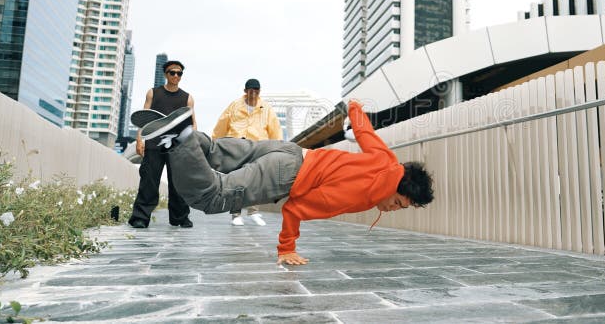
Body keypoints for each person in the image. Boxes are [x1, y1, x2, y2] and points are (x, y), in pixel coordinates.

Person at [136, 100, 434, 265]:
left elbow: (364, 128)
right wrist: (286, 248)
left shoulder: (387, 159)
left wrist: (355, 108)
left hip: (288, 150)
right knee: (213, 198)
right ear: (398, 189)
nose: (393, 208)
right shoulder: (360, 197)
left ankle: (181, 132)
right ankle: (181, 138)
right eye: (397, 203)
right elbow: (296, 208)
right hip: (285, 175)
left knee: (216, 152)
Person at [127, 60, 196, 229]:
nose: (176, 76)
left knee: (178, 183)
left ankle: (180, 217)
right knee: (148, 182)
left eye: (179, 73)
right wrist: (139, 139)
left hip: (177, 146)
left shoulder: (187, 98)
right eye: (172, 72)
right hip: (154, 144)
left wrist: (192, 144)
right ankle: (140, 218)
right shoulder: (153, 93)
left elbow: (192, 123)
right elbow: (143, 117)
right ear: (166, 74)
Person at [212, 78, 282, 226]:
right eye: (251, 90)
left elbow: (275, 129)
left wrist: (278, 147)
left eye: (256, 91)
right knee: (237, 180)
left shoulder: (266, 108)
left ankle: (254, 212)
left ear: (259, 91)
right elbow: (222, 124)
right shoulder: (234, 106)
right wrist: (215, 143)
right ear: (245, 91)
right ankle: (236, 214)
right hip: (237, 147)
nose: (253, 94)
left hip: (257, 147)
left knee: (256, 181)